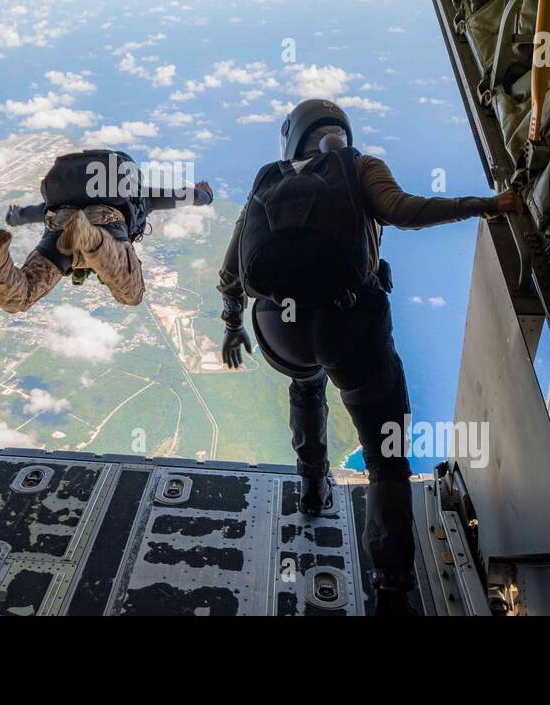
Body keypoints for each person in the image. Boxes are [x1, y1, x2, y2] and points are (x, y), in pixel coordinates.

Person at [216, 99, 519, 615]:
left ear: (293, 138)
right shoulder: (358, 164)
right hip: (346, 325)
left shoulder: (268, 178)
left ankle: (312, 487)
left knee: (305, 384)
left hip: (277, 329)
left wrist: (231, 325)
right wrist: (487, 204)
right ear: (341, 133)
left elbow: (232, 268)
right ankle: (392, 586)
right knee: (386, 460)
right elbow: (403, 211)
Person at [0, 148, 213, 313]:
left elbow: (32, 213)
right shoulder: (143, 197)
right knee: (131, 294)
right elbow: (184, 196)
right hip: (103, 226)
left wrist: (13, 218)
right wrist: (205, 195)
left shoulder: (63, 202)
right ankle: (91, 237)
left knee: (20, 298)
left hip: (60, 222)